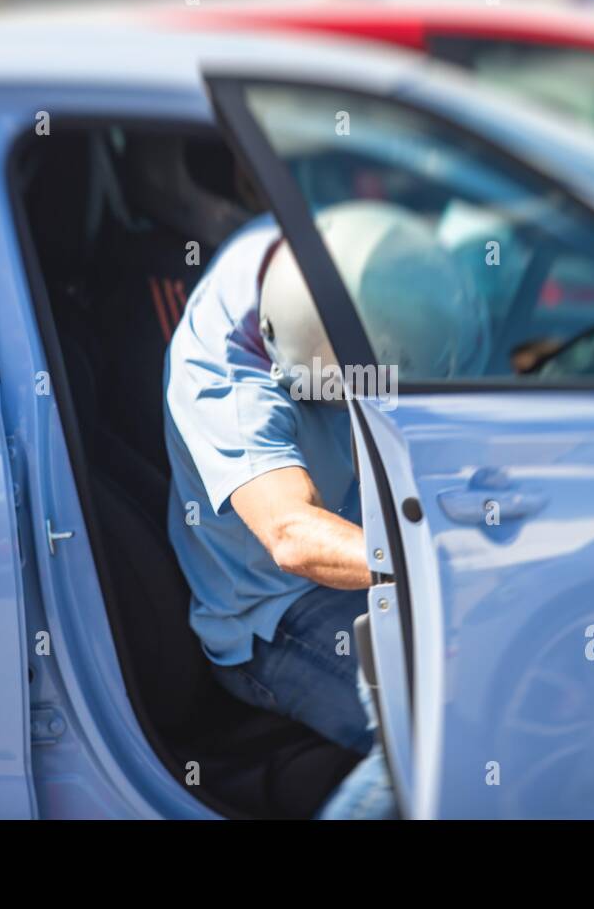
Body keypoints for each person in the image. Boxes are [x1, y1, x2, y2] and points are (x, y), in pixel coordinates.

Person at [163, 201, 482, 818]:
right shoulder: (227, 379)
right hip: (275, 612)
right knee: (439, 738)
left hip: (374, 550)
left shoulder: (361, 251)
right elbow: (292, 534)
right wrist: (439, 565)